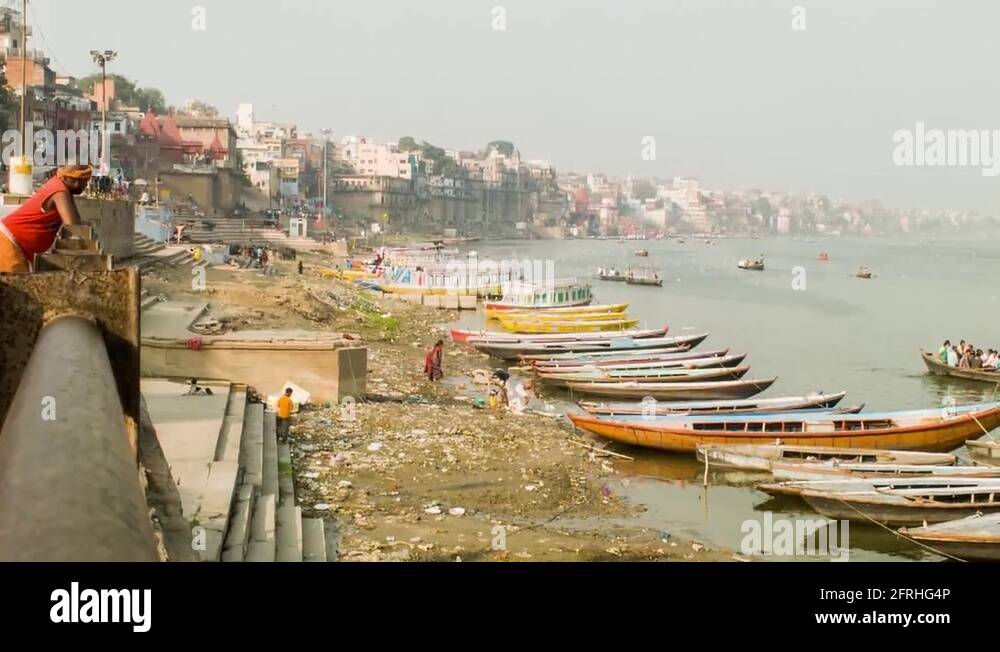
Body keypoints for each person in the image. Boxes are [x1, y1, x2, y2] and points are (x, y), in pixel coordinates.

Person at [0, 165, 93, 273]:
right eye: (84, 181)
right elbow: (73, 225)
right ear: (75, 180)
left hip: (16, 246)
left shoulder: (63, 189)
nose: (85, 185)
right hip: (9, 242)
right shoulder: (59, 191)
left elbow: (77, 221)